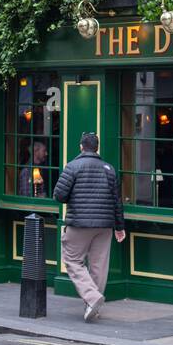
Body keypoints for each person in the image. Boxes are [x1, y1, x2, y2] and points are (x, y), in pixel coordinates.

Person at [54, 132, 125, 322]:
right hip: (105, 225)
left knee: (72, 260)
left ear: (81, 146)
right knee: (99, 266)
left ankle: (92, 298)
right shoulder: (109, 169)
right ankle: (92, 306)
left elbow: (59, 195)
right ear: (97, 147)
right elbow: (117, 201)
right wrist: (120, 226)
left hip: (79, 223)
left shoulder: (72, 167)